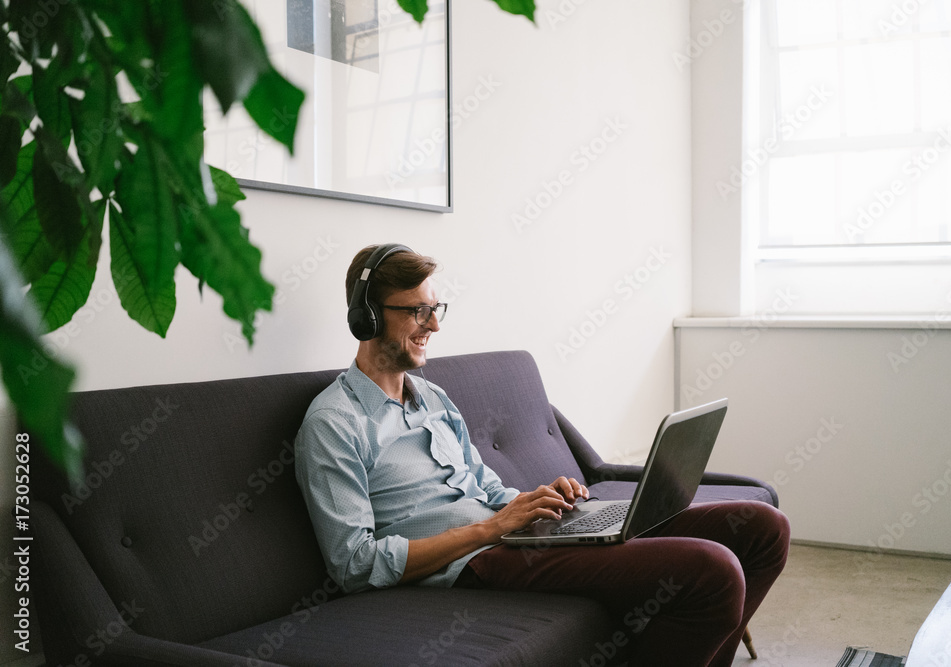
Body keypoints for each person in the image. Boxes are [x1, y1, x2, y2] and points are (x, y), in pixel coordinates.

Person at [294, 244, 791, 666]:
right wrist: (490, 529)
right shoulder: (334, 424)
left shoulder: (434, 398)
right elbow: (353, 564)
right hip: (477, 564)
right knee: (713, 568)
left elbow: (488, 489)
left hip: (515, 538)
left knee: (762, 527)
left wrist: (537, 501)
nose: (433, 326)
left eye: (435, 310)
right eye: (417, 312)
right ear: (369, 317)